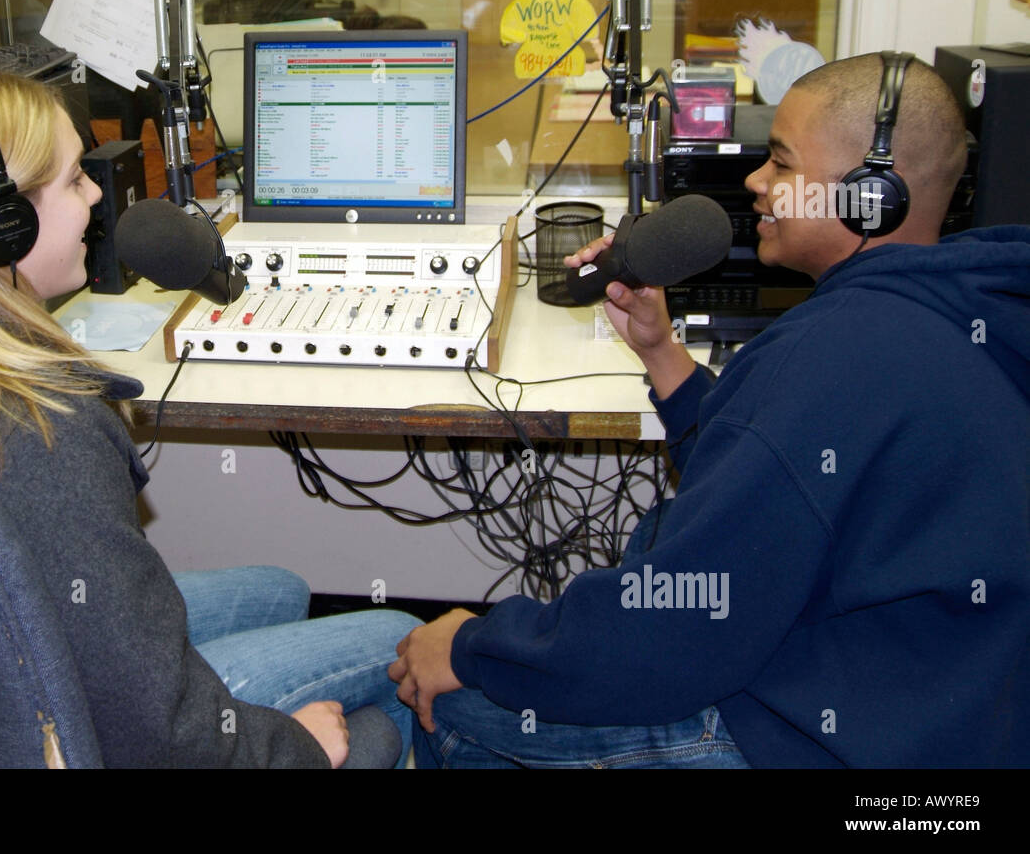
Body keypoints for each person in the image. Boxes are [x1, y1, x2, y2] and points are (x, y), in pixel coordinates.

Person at [388, 52, 1030, 768]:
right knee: (659, 540)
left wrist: (473, 647)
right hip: (949, 711)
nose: (756, 182)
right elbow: (775, 479)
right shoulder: (969, 305)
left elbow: (671, 633)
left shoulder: (831, 353)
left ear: (869, 196)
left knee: (459, 703)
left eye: (781, 166)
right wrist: (664, 357)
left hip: (842, 749)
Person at [0, 70, 419, 767]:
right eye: (73, 181)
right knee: (398, 641)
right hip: (71, 734)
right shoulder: (40, 428)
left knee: (280, 590)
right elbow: (158, 732)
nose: (97, 195)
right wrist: (296, 746)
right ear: (5, 225)